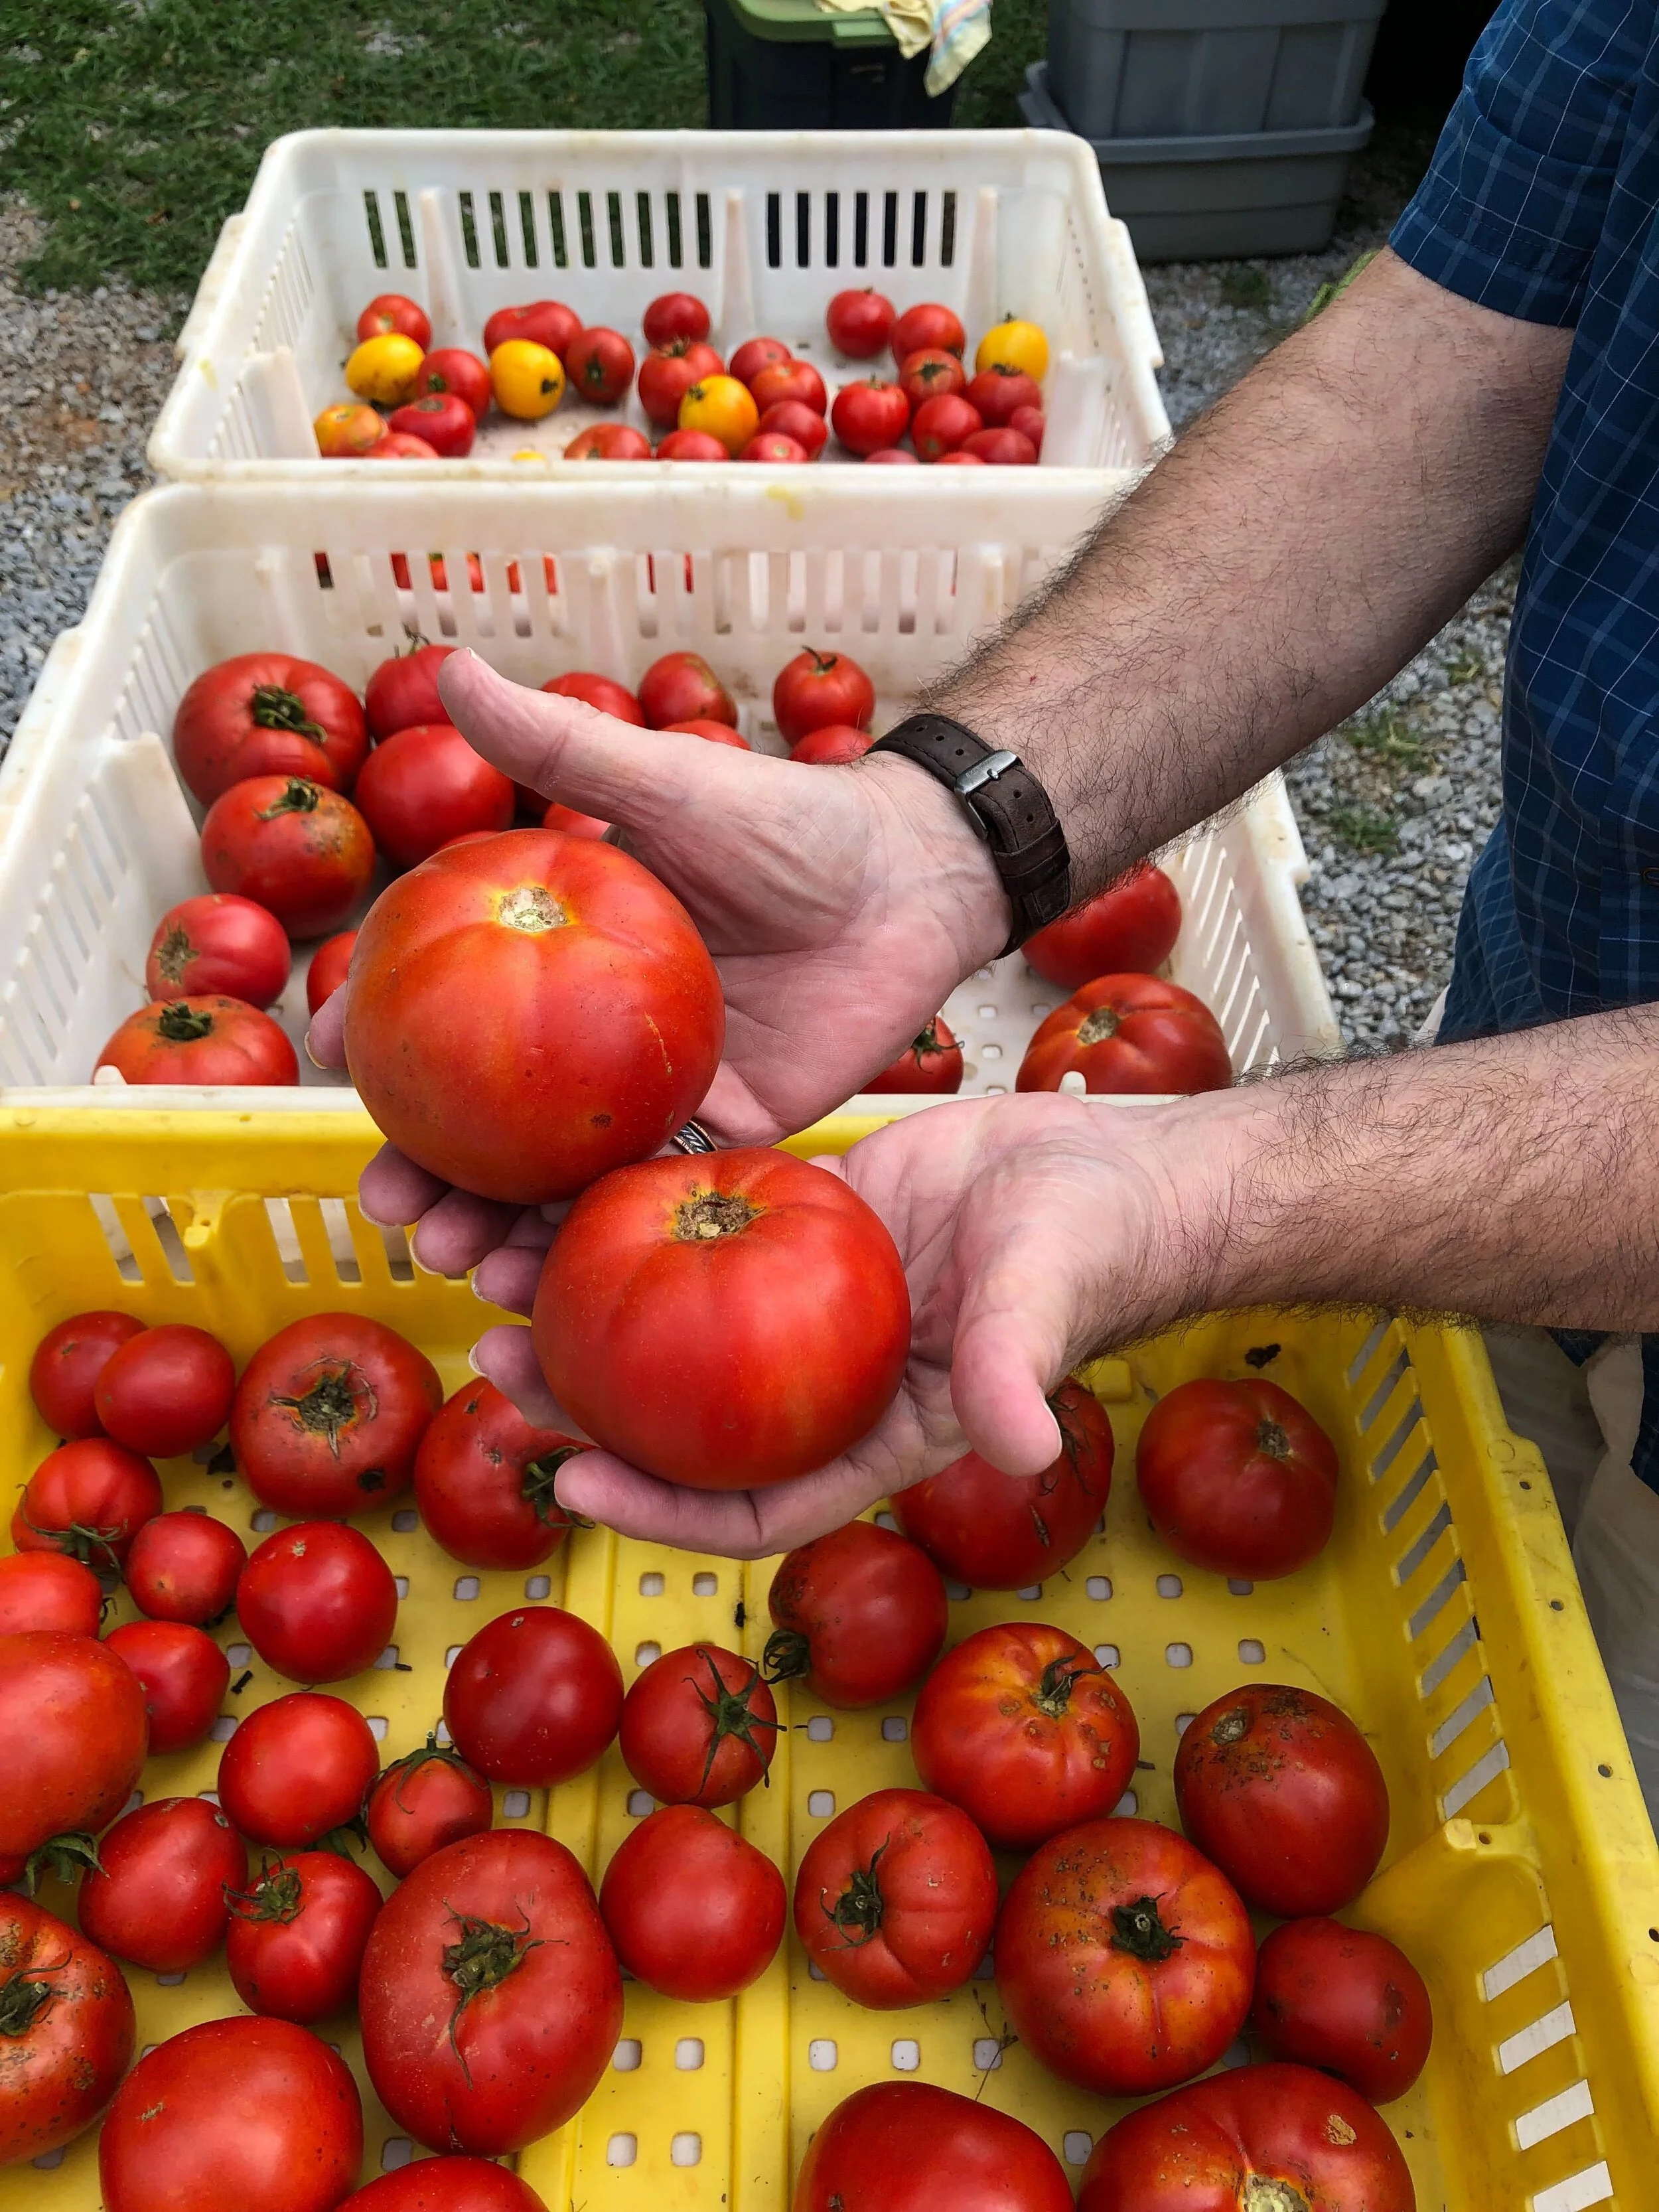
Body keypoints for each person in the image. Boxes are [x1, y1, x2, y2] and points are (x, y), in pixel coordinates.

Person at [312, 0, 1659, 1806]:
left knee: (1601, 1791)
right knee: (1504, 1604)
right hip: (1537, 1050)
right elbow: (1450, 359)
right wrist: (952, 830)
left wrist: (1203, 1189)